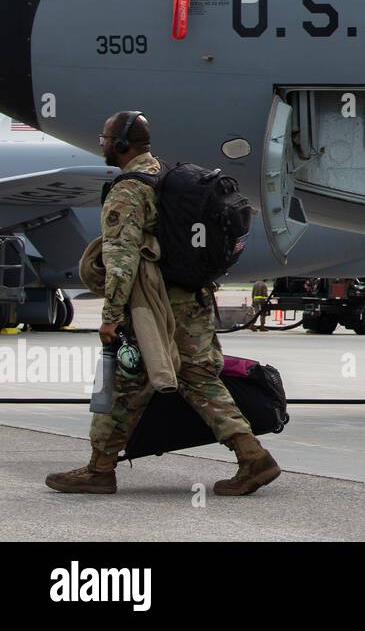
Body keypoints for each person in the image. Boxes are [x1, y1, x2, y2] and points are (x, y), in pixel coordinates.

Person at [45, 111, 280, 497]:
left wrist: (110, 318)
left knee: (123, 382)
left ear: (121, 144)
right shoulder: (161, 174)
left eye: (105, 137)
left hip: (154, 307)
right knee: (196, 378)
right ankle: (251, 456)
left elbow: (121, 261)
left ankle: (99, 470)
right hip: (190, 300)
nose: (101, 143)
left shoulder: (129, 190)